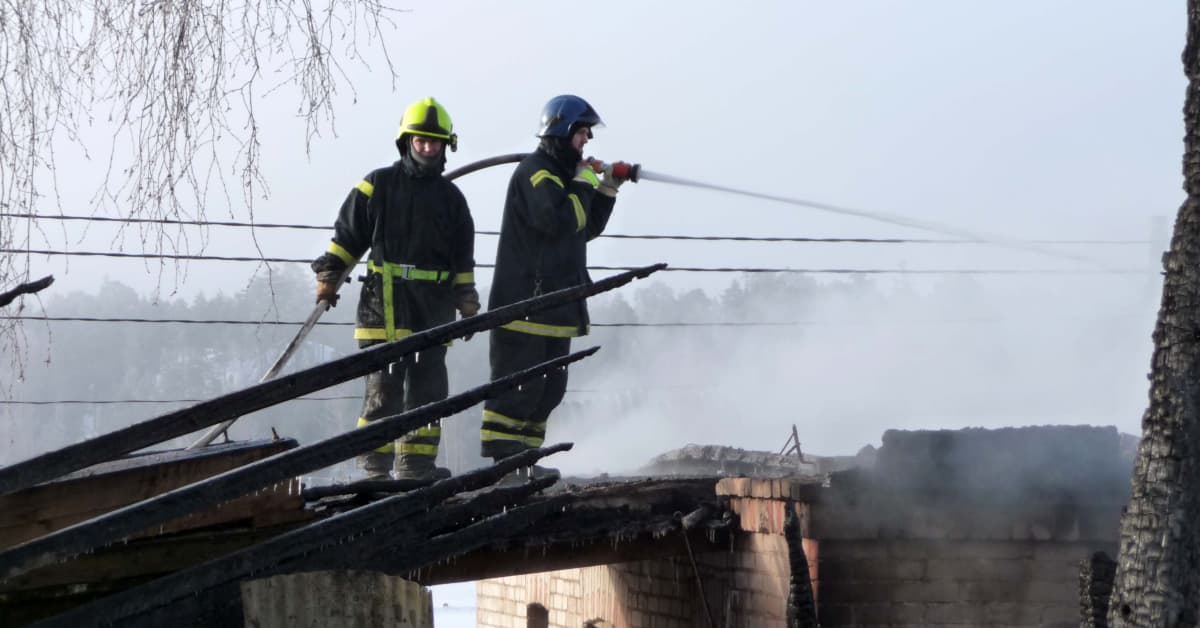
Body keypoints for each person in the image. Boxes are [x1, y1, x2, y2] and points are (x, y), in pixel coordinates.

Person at [311, 97, 479, 481]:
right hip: (382, 308)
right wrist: (329, 275)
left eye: (434, 142)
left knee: (428, 394)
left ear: (445, 146)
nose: (426, 147)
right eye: (420, 140)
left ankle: (416, 468)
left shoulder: (451, 200)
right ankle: (375, 472)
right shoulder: (378, 185)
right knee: (383, 394)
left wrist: (466, 299)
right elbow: (347, 238)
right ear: (406, 142)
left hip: (432, 313)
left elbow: (462, 258)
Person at [480, 95, 629, 476]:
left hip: (556, 307)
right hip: (525, 306)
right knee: (519, 390)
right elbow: (558, 221)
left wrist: (606, 189)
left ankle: (526, 464)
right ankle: (505, 469)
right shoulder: (537, 174)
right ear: (562, 130)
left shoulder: (563, 177)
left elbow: (583, 229)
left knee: (549, 392)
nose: (586, 141)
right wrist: (584, 182)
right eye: (582, 132)